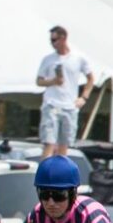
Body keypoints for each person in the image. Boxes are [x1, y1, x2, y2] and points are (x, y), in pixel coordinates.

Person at [34, 25, 95, 159]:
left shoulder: (78, 58)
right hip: (51, 104)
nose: (52, 43)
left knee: (64, 145)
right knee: (49, 142)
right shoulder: (48, 59)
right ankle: (44, 175)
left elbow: (91, 78)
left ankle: (59, 175)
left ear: (63, 38)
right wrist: (53, 81)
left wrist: (83, 98)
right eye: (51, 40)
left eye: (54, 40)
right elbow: (39, 81)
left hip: (69, 106)